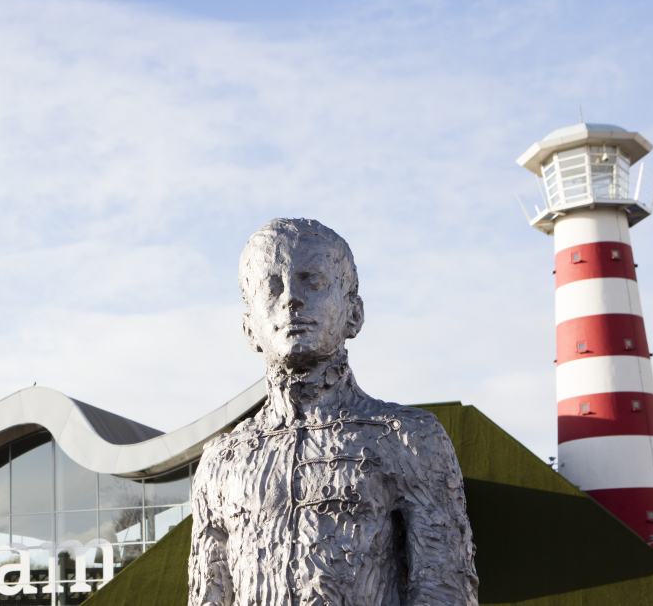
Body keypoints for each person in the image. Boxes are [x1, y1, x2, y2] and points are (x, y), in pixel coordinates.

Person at [188, 218, 478, 606]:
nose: (292, 298)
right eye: (271, 287)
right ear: (249, 329)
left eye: (314, 281)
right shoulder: (221, 461)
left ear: (353, 314)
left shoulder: (409, 439)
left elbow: (445, 589)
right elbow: (208, 595)